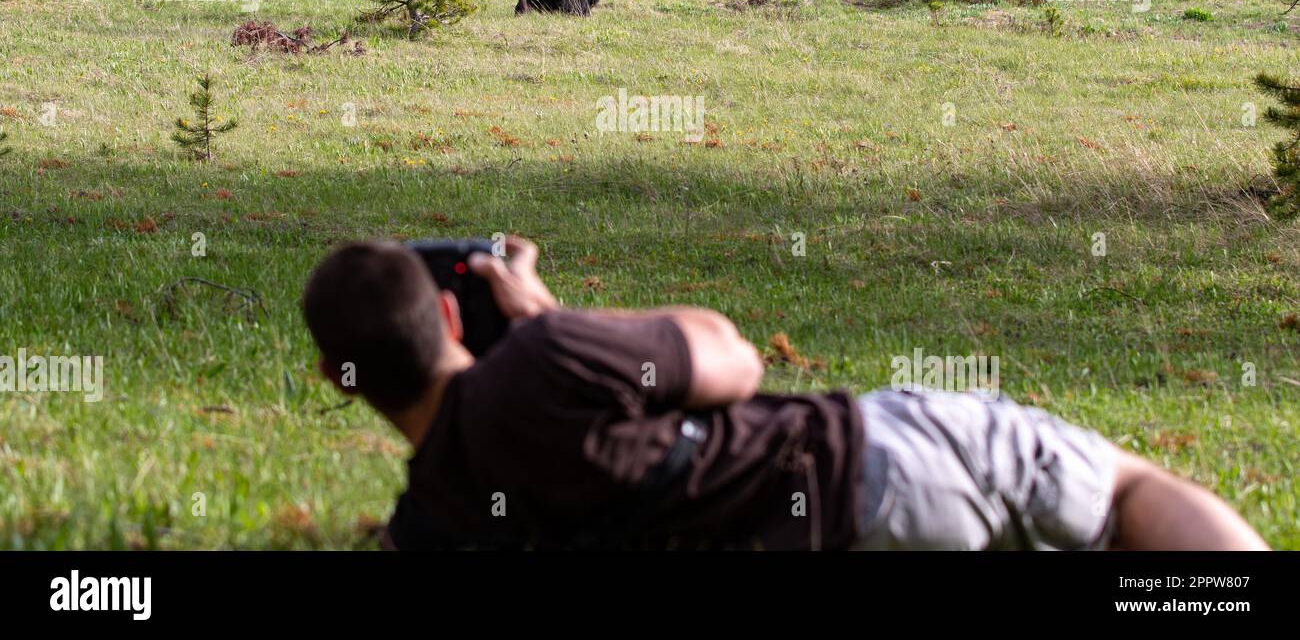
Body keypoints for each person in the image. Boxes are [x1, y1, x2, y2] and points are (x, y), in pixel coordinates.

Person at [301, 236, 1269, 551]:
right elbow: (729, 356)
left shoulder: (428, 526)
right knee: (1124, 490)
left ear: (335, 380)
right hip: (870, 474)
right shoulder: (542, 359)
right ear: (455, 315)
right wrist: (553, 313)